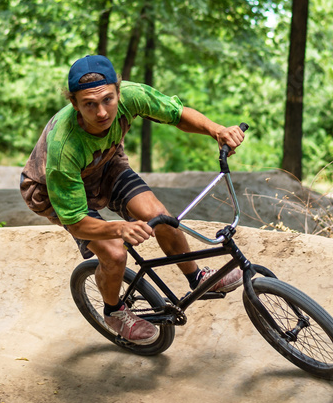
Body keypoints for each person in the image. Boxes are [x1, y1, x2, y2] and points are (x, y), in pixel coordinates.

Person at [20, 55, 246, 345]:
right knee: (114, 253)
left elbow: (177, 114)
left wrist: (217, 130)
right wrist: (119, 229)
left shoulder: (133, 96)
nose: (102, 112)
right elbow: (76, 222)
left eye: (108, 100)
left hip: (106, 165)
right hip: (52, 191)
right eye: (89, 104)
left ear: (118, 90)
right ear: (75, 104)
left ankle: (196, 276)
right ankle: (114, 311)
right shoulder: (64, 147)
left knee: (159, 215)